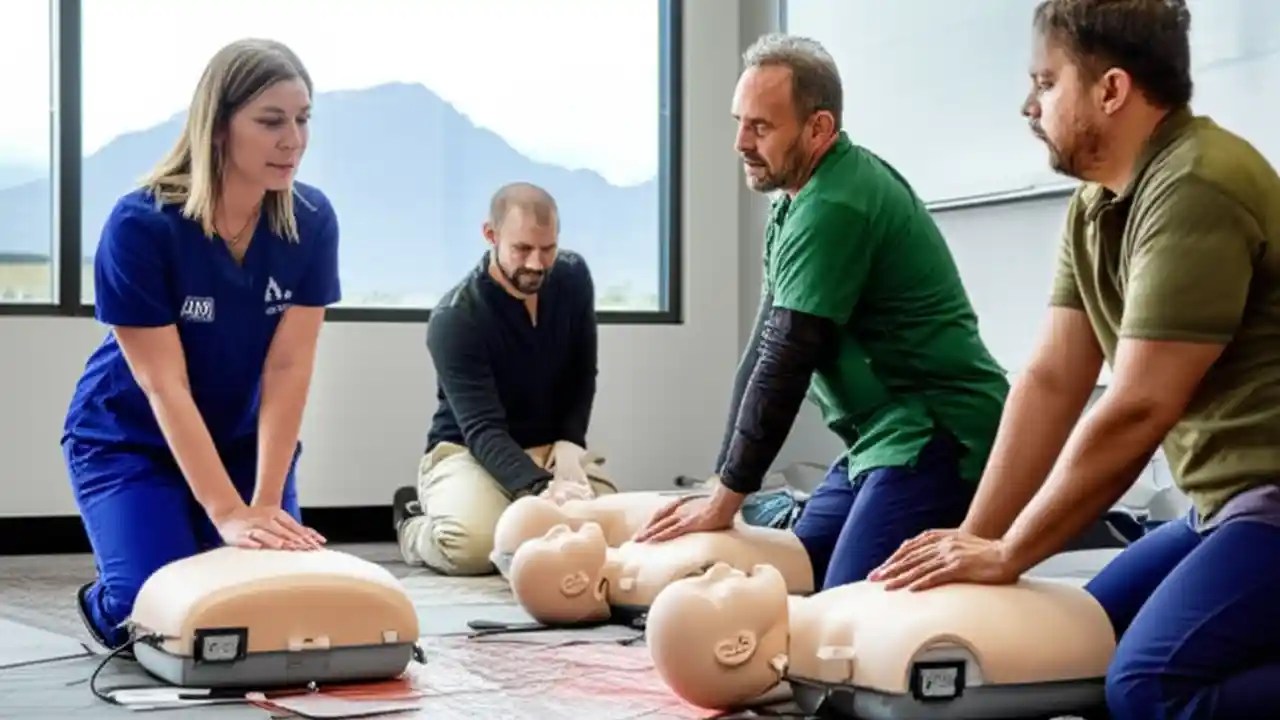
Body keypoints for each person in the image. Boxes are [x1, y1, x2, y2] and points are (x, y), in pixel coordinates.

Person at [871, 1, 1280, 718]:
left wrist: (1011, 552)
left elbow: (1139, 405)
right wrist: (979, 537)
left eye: (1046, 82)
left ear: (1112, 90)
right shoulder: (1097, 204)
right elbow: (1053, 379)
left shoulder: (1197, 183)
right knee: (1076, 639)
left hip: (1269, 501)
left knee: (1150, 688)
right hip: (1220, 507)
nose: (1030, 105)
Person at [633, 33, 1010, 592]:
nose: (740, 141)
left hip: (938, 433)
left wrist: (727, 496)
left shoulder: (836, 204)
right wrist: (723, 486)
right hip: (877, 439)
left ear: (818, 129)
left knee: (844, 599)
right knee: (794, 571)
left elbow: (787, 362)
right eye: (740, 121)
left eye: (760, 127)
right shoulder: (794, 203)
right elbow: (760, 355)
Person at [60, 38, 339, 652]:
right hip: (130, 440)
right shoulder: (140, 226)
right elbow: (165, 384)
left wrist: (263, 505)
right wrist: (227, 514)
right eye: (271, 121)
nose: (293, 139)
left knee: (260, 610)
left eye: (302, 118)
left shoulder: (312, 221)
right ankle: (111, 589)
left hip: (241, 444)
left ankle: (201, 540)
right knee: (157, 615)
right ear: (217, 126)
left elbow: (289, 367)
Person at [393, 182, 615, 576]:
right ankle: (412, 522)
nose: (536, 264)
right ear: (490, 236)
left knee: (610, 531)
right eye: (522, 249)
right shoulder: (455, 318)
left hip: (549, 446)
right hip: (469, 451)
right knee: (475, 549)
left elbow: (582, 372)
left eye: (547, 249)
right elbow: (481, 430)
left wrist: (569, 444)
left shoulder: (573, 276)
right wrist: (542, 490)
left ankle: (518, 507)